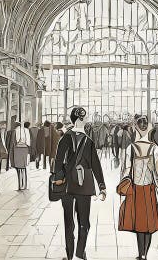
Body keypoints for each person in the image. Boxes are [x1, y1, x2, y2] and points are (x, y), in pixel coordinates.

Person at [52, 107, 107, 260]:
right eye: (85, 118)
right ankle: (80, 252)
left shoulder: (65, 138)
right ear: (80, 119)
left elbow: (58, 161)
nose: (87, 120)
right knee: (84, 222)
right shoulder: (88, 141)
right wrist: (101, 185)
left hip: (67, 184)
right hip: (85, 184)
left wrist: (59, 177)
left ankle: (69, 255)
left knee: (68, 222)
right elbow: (96, 164)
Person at [118, 115, 158, 260]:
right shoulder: (155, 148)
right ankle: (145, 252)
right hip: (149, 189)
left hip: (136, 190)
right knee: (149, 223)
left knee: (139, 223)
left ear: (136, 128)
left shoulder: (130, 148)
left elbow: (126, 171)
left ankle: (141, 255)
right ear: (149, 128)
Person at [10, 121, 32, 190]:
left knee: (18, 169)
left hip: (17, 150)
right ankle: (25, 185)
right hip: (25, 149)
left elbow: (12, 143)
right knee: (24, 168)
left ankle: (20, 186)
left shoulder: (14, 131)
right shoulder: (26, 131)